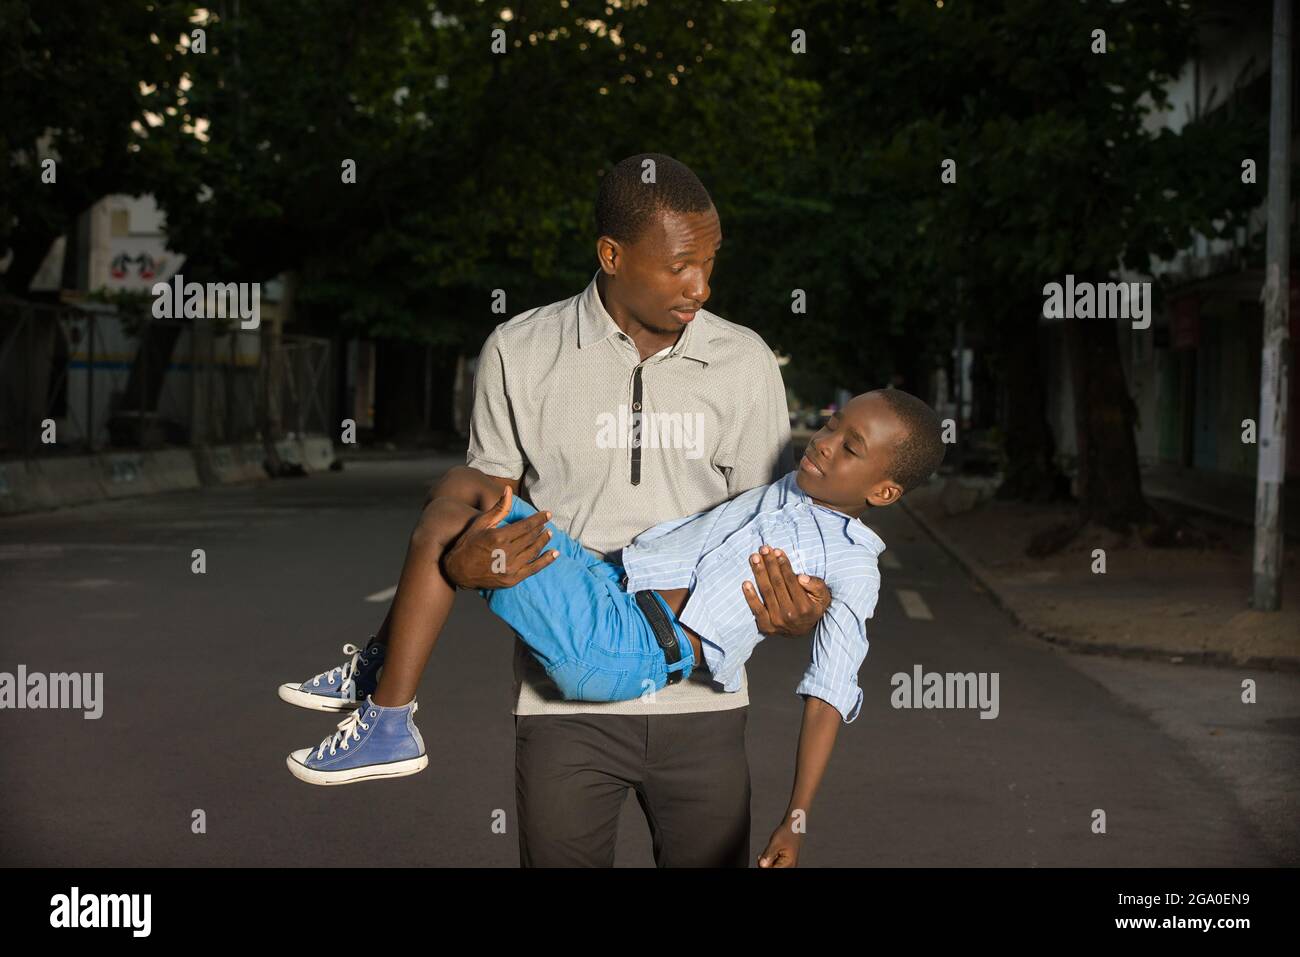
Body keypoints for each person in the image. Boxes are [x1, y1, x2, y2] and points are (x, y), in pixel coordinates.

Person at [279, 153, 833, 867]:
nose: (701, 285)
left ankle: (382, 693)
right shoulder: (519, 350)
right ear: (611, 254)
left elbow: (770, 537)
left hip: (704, 705)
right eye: (680, 265)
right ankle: (386, 702)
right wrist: (466, 564)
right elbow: (487, 515)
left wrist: (801, 609)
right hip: (560, 709)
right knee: (457, 492)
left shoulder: (746, 361)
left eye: (711, 262)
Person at [285, 390, 945, 869]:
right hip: (608, 580)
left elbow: (829, 693)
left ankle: (389, 721)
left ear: (884, 492)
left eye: (849, 447)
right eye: (832, 424)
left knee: (445, 529)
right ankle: (380, 670)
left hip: (627, 648)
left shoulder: (850, 564)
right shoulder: (794, 488)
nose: (824, 442)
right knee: (468, 484)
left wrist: (795, 821)